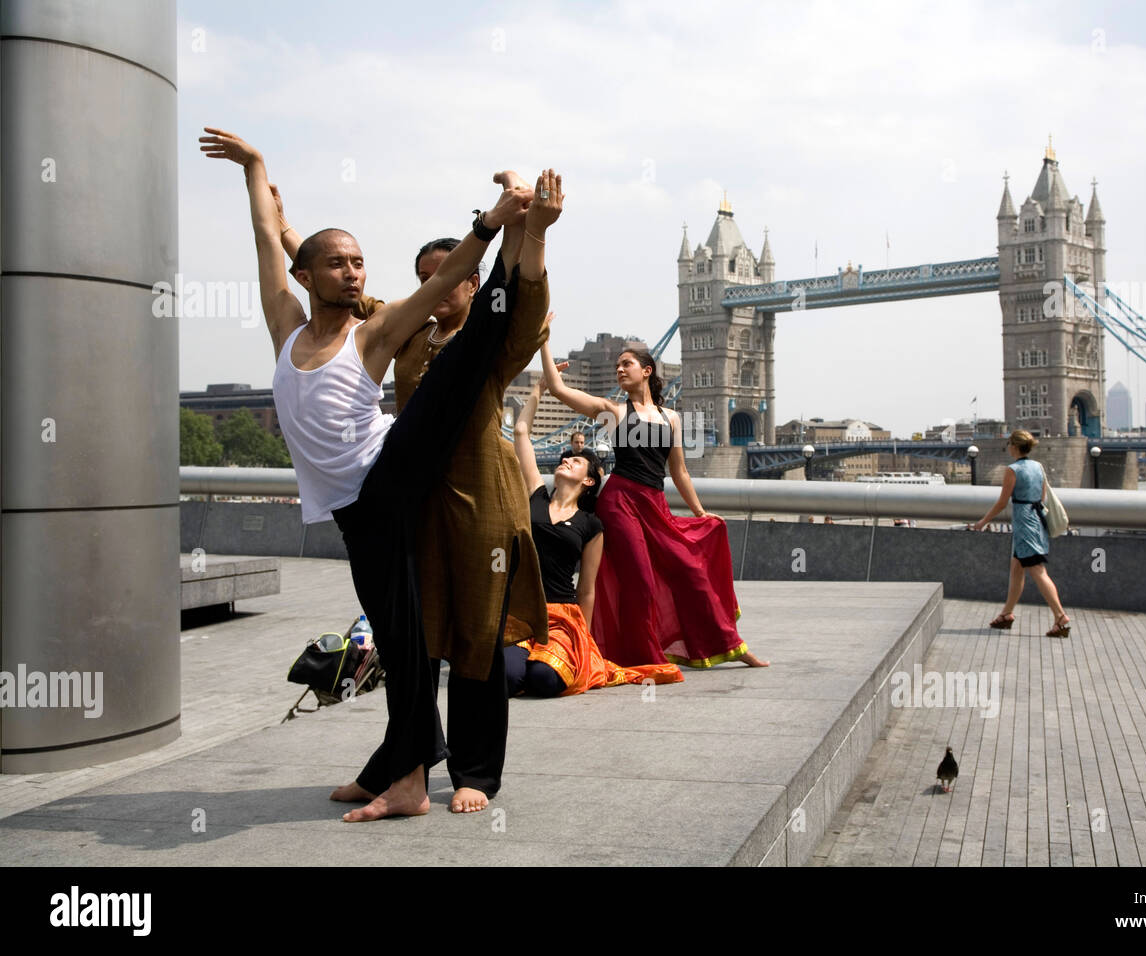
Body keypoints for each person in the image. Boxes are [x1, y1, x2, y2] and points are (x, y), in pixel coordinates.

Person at [202, 126, 557, 821]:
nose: (355, 272)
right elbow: (269, 247)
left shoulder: (380, 330)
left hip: (393, 475)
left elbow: (455, 280)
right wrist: (256, 167)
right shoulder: (289, 325)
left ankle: (414, 781)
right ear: (308, 278)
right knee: (402, 640)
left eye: (360, 262)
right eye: (338, 264)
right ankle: (402, 769)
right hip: (365, 507)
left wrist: (500, 224)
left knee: (466, 358)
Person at [539, 335, 769, 669]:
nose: (619, 370)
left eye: (626, 364)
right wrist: (544, 341)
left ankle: (731, 644)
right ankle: (644, 657)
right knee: (642, 582)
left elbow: (681, 473)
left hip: (655, 505)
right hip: (620, 503)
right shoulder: (614, 412)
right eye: (617, 365)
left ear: (647, 370)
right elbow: (559, 390)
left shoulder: (672, 418)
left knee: (692, 573)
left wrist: (700, 513)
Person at [508, 374, 684, 695]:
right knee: (507, 679)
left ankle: (552, 659)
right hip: (520, 612)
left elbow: (587, 589)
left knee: (544, 681)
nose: (566, 460)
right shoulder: (536, 495)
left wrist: (583, 640)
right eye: (565, 458)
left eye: (575, 460)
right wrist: (538, 389)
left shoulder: (590, 524)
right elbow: (521, 432)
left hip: (562, 616)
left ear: (589, 481)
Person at [969, 429, 1071, 637]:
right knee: (1017, 569)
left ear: (1014, 446)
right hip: (1036, 520)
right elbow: (1042, 496)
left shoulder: (1012, 470)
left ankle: (1060, 617)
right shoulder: (1038, 467)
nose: (1008, 447)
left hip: (1024, 524)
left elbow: (1001, 502)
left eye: (1009, 444)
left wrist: (983, 522)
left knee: (1037, 570)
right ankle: (1006, 614)